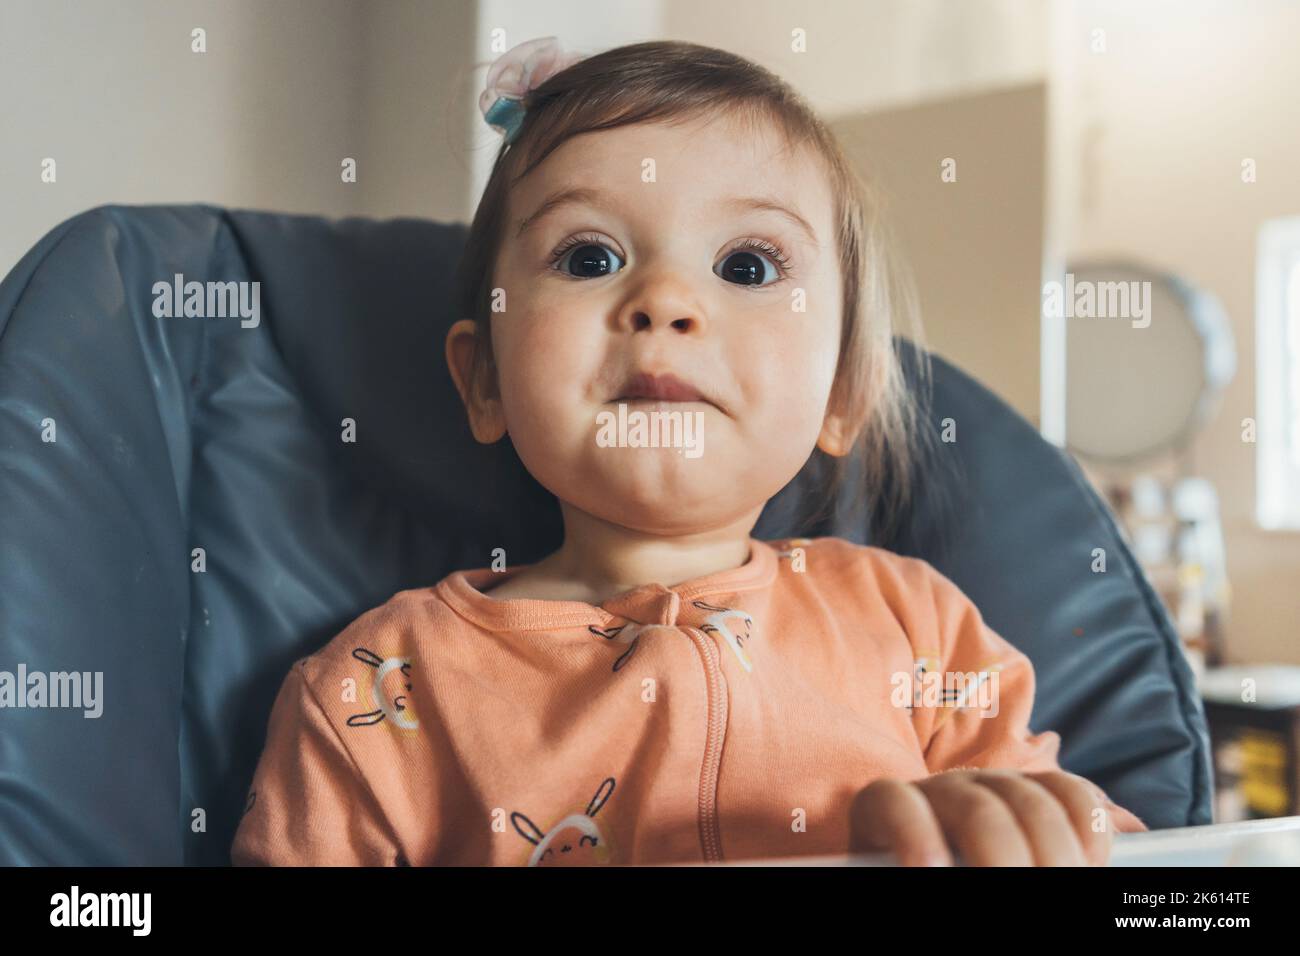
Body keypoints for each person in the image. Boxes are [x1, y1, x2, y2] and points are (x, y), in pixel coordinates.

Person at [231, 36, 1146, 867]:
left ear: (839, 395)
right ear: (486, 382)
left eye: (747, 267)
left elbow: (1140, 870)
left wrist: (1022, 832)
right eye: (589, 257)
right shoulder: (379, 690)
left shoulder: (920, 630)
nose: (665, 300)